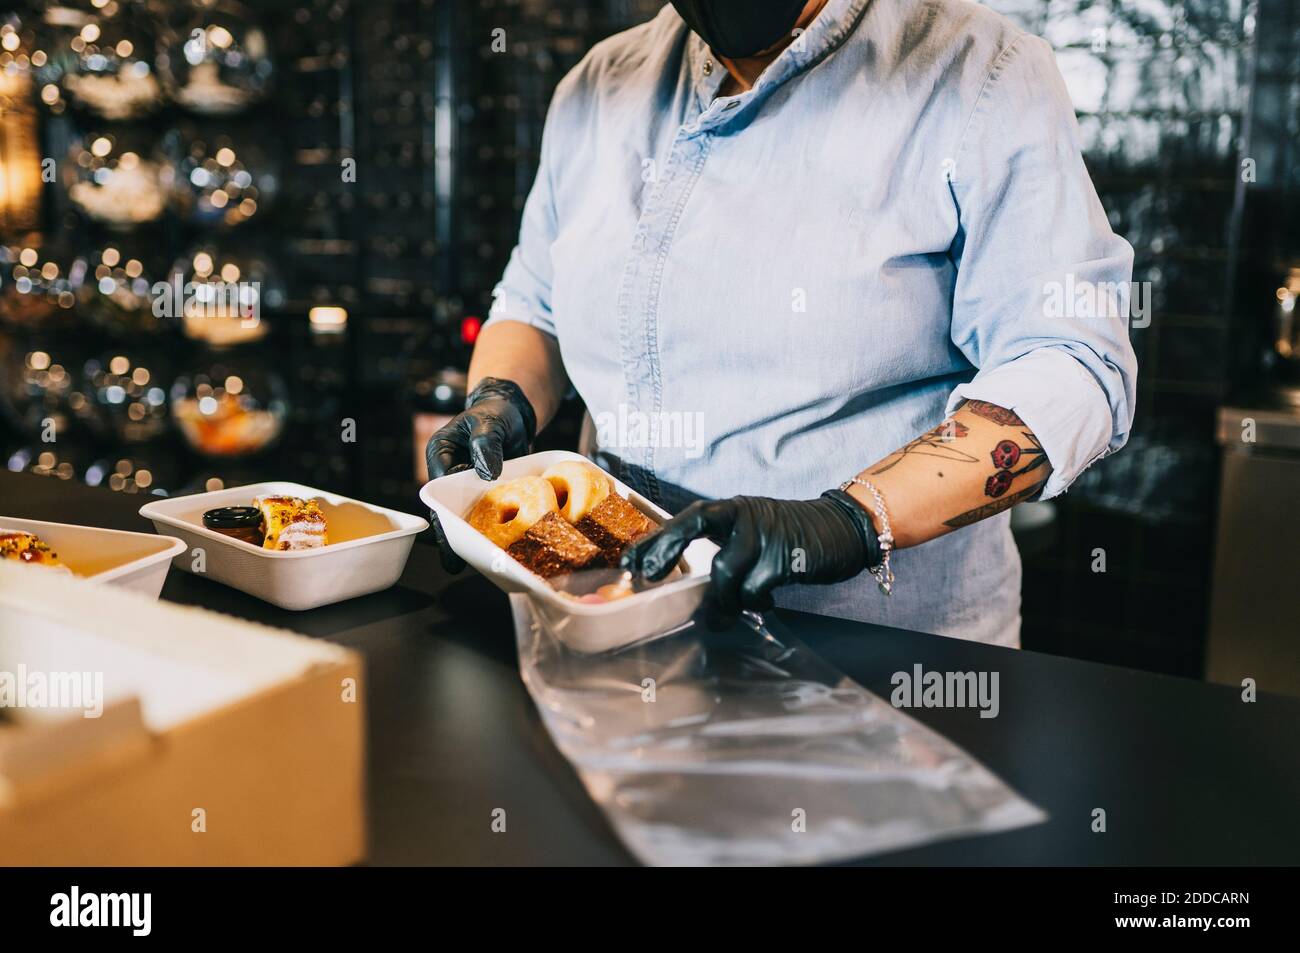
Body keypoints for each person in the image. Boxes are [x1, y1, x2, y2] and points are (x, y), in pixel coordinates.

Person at [427, 0, 1138, 647]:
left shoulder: (980, 72)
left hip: (879, 655)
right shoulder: (598, 86)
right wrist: (502, 398)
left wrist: (851, 521)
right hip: (616, 625)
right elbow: (533, 303)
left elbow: (1072, 364)